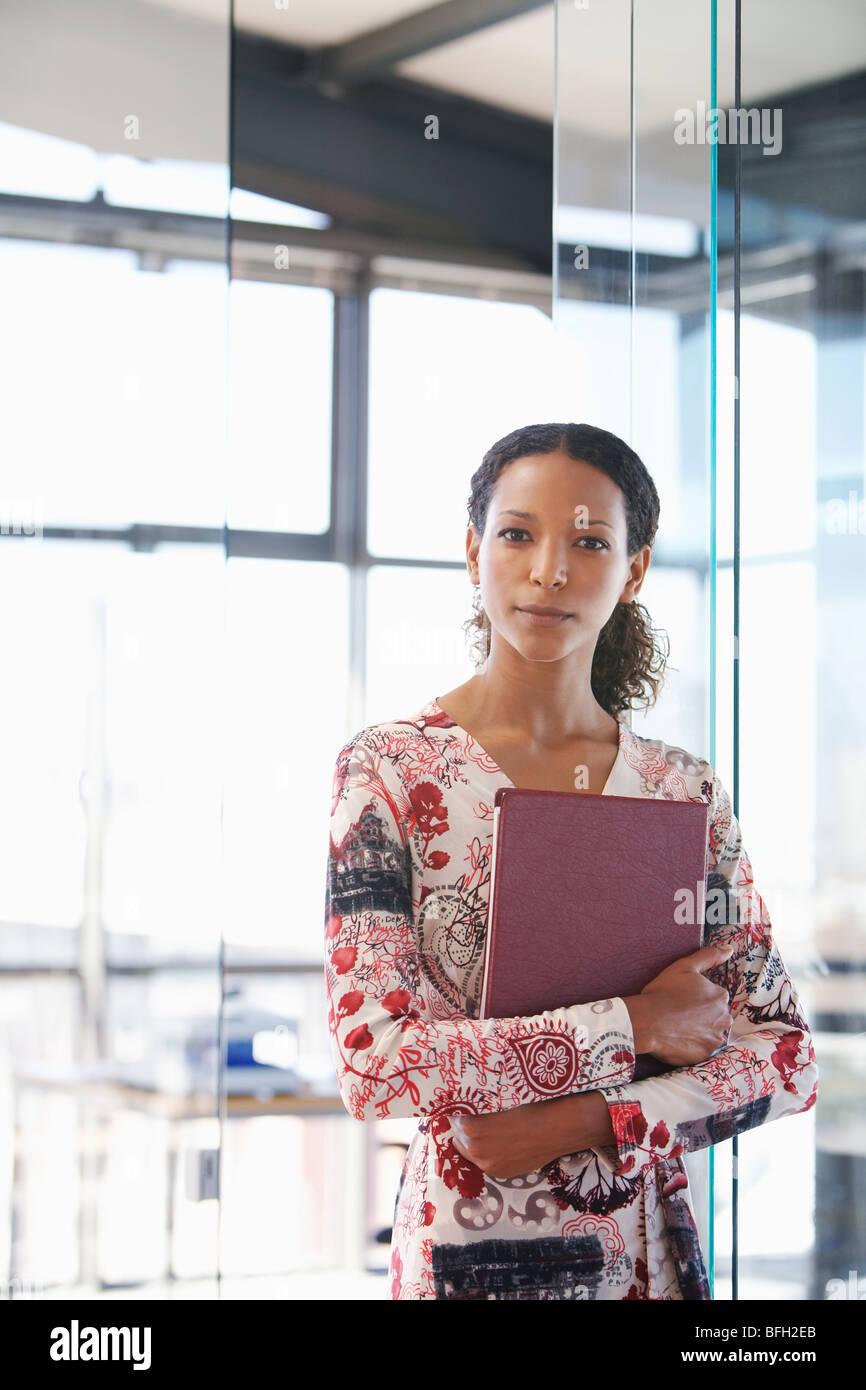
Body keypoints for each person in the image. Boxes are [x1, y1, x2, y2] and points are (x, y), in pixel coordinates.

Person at [323, 421, 818, 1301]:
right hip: (468, 1256)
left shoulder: (681, 792)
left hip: (650, 1258)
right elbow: (377, 1062)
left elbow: (783, 1059)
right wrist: (637, 1025)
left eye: (589, 541)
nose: (549, 570)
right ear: (474, 549)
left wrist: (592, 1118)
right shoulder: (392, 772)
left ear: (633, 571)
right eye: (517, 534)